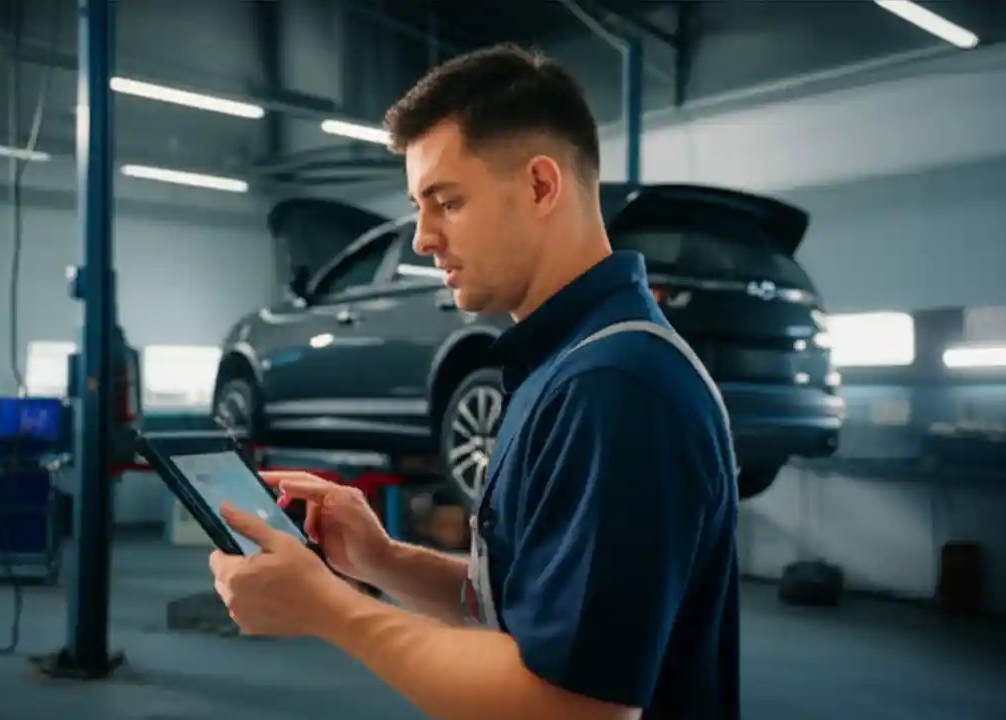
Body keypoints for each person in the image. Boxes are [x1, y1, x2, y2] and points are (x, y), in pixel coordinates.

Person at [210, 43, 741, 720]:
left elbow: (575, 710)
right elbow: (531, 609)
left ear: (541, 186)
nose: (423, 240)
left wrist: (327, 609)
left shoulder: (614, 388)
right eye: (418, 206)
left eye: (446, 202)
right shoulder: (563, 363)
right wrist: (381, 559)